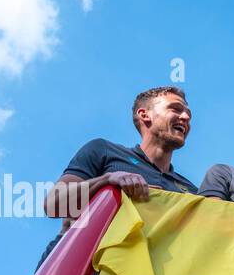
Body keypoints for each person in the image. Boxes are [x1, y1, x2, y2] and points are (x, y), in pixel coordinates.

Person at [41, 85, 197, 261]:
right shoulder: (104, 151)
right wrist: (107, 181)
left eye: (188, 115)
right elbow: (54, 205)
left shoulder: (191, 191)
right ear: (145, 115)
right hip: (78, 270)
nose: (185, 117)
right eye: (175, 109)